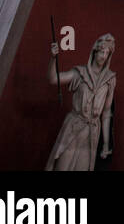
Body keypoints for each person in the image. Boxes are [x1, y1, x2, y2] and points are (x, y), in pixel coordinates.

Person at [45, 33, 116, 171]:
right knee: (62, 167)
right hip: (74, 127)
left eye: (107, 53)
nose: (103, 56)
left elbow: (106, 112)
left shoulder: (110, 79)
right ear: (94, 51)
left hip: (91, 133)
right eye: (101, 51)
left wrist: (106, 143)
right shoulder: (80, 73)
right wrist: (53, 58)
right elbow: (53, 79)